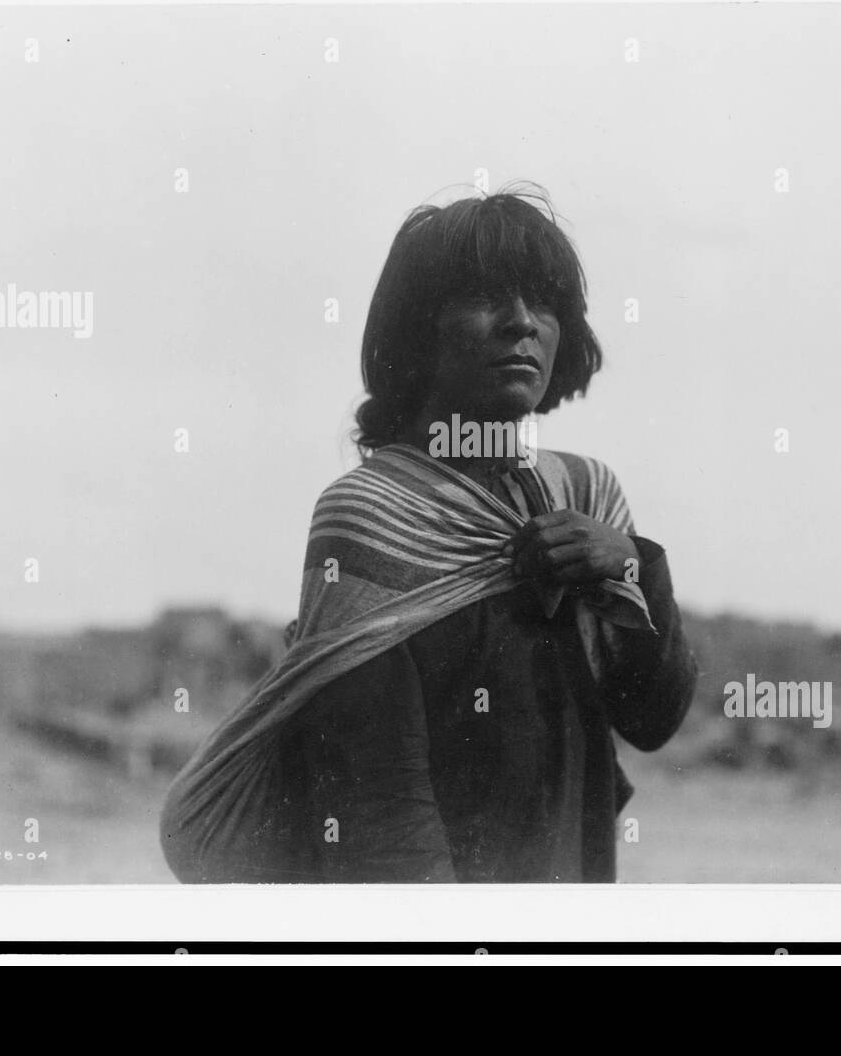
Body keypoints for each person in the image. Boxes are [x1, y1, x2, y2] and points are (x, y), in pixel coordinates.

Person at [160, 186, 698, 884]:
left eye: (542, 302)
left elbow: (654, 718)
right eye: (484, 298)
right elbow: (379, 808)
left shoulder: (584, 496)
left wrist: (630, 566)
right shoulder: (371, 515)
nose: (521, 323)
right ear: (418, 331)